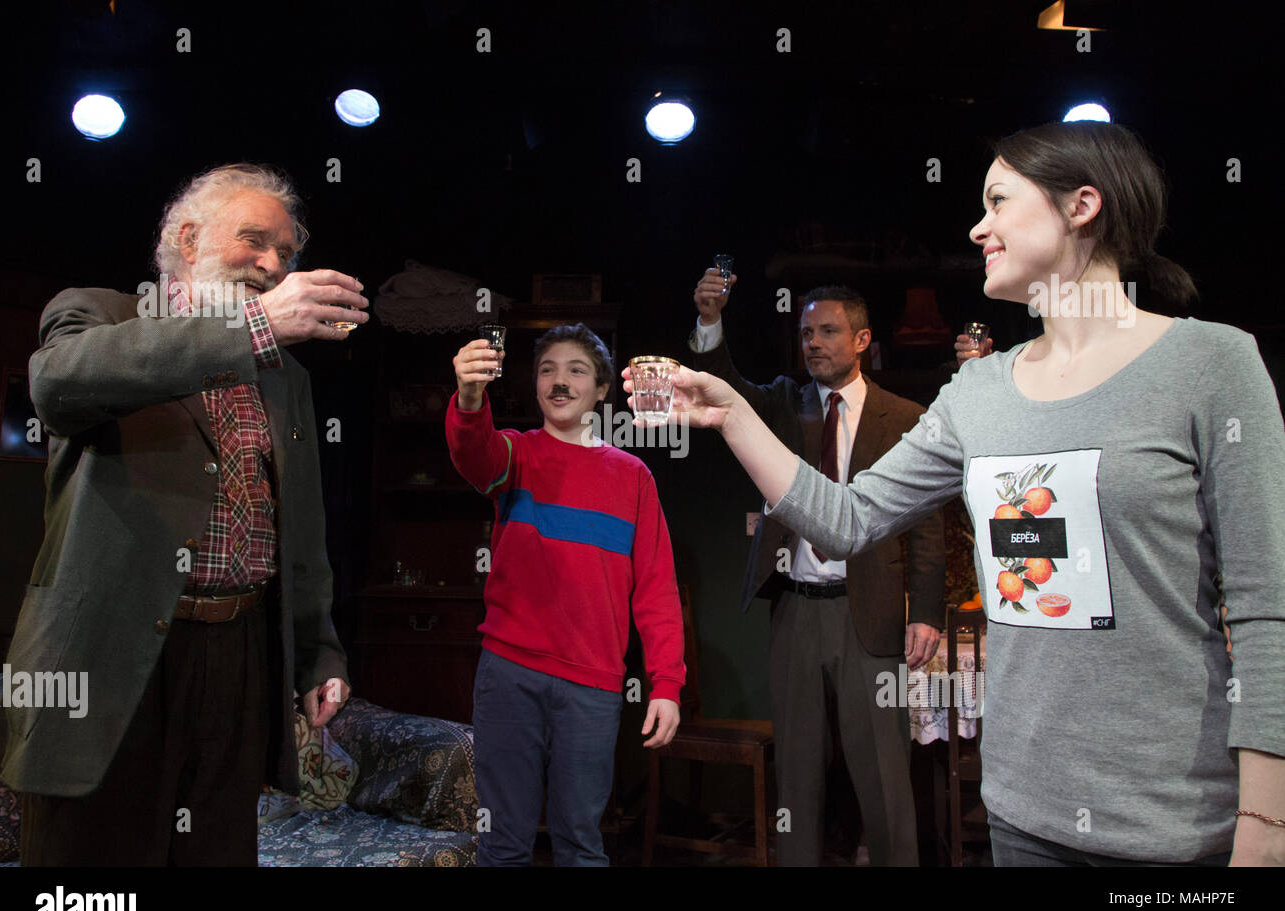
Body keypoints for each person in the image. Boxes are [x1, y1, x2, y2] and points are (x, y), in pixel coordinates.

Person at [630, 121, 1285, 866]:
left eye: (999, 201)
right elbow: (847, 520)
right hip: (1021, 816)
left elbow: (1270, 609)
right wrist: (732, 415)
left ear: (1082, 206)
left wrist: (1266, 826)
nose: (978, 227)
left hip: (1175, 828)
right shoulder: (978, 391)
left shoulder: (1211, 364)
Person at [0, 163, 365, 865]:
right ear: (188, 239)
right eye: (254, 240)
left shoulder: (288, 377)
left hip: (238, 653)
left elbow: (301, 532)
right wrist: (247, 327)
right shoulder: (100, 315)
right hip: (109, 652)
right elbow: (59, 387)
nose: (272, 264)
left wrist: (318, 652)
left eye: (286, 253)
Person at [687, 273, 945, 866]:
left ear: (862, 339)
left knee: (884, 776)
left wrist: (925, 613)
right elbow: (723, 388)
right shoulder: (782, 404)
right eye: (806, 332)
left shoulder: (904, 416)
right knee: (797, 775)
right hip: (797, 608)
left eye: (829, 331)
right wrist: (709, 321)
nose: (814, 342)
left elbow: (927, 522)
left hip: (872, 618)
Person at [446, 323, 685, 866]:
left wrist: (666, 683)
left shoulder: (633, 477)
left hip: (592, 684)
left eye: (576, 371)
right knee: (503, 843)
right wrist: (468, 395)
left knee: (581, 843)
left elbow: (656, 591)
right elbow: (473, 455)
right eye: (547, 370)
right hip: (509, 673)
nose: (559, 382)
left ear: (601, 389)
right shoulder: (516, 453)